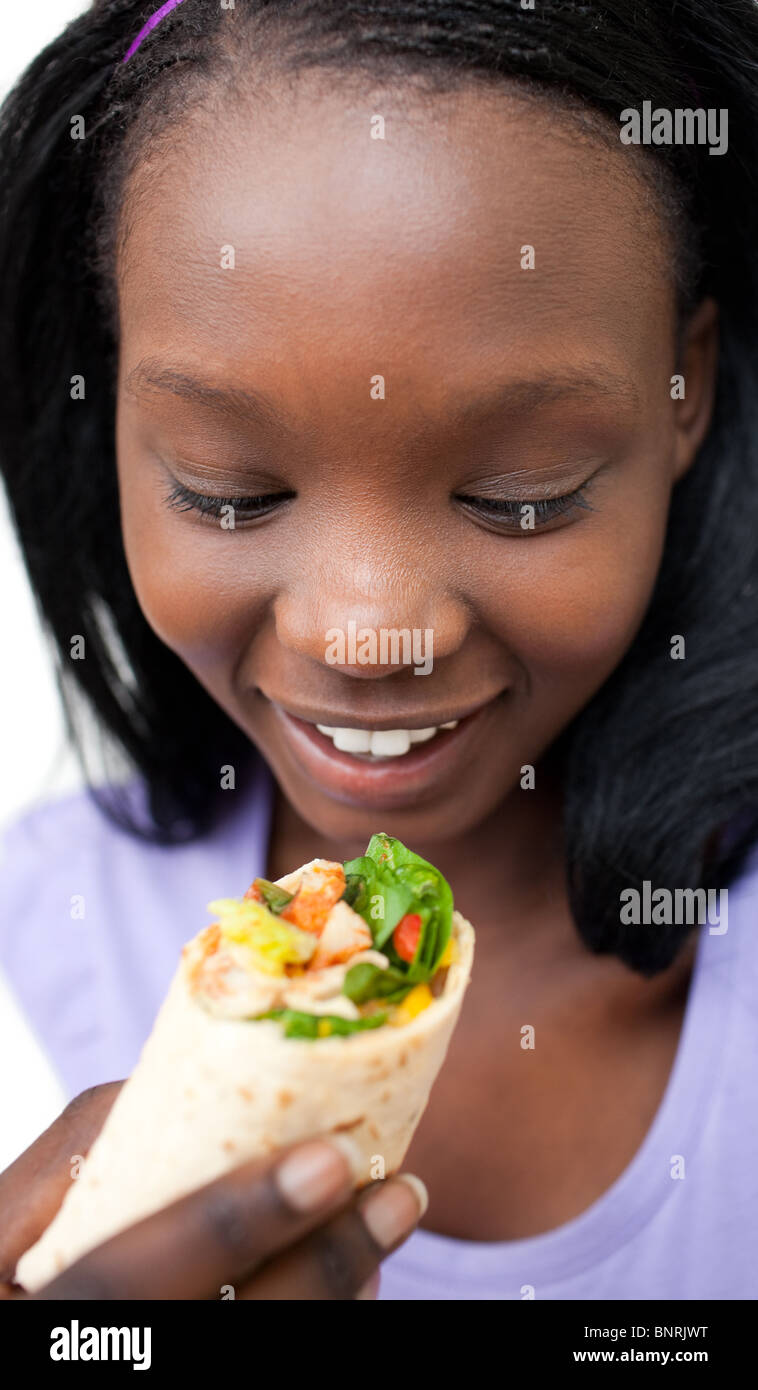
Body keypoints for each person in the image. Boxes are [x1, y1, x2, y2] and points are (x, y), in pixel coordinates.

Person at [1, 0, 757, 1301]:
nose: (362, 629)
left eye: (520, 492)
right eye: (229, 492)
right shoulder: (27, 956)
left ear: (681, 390)